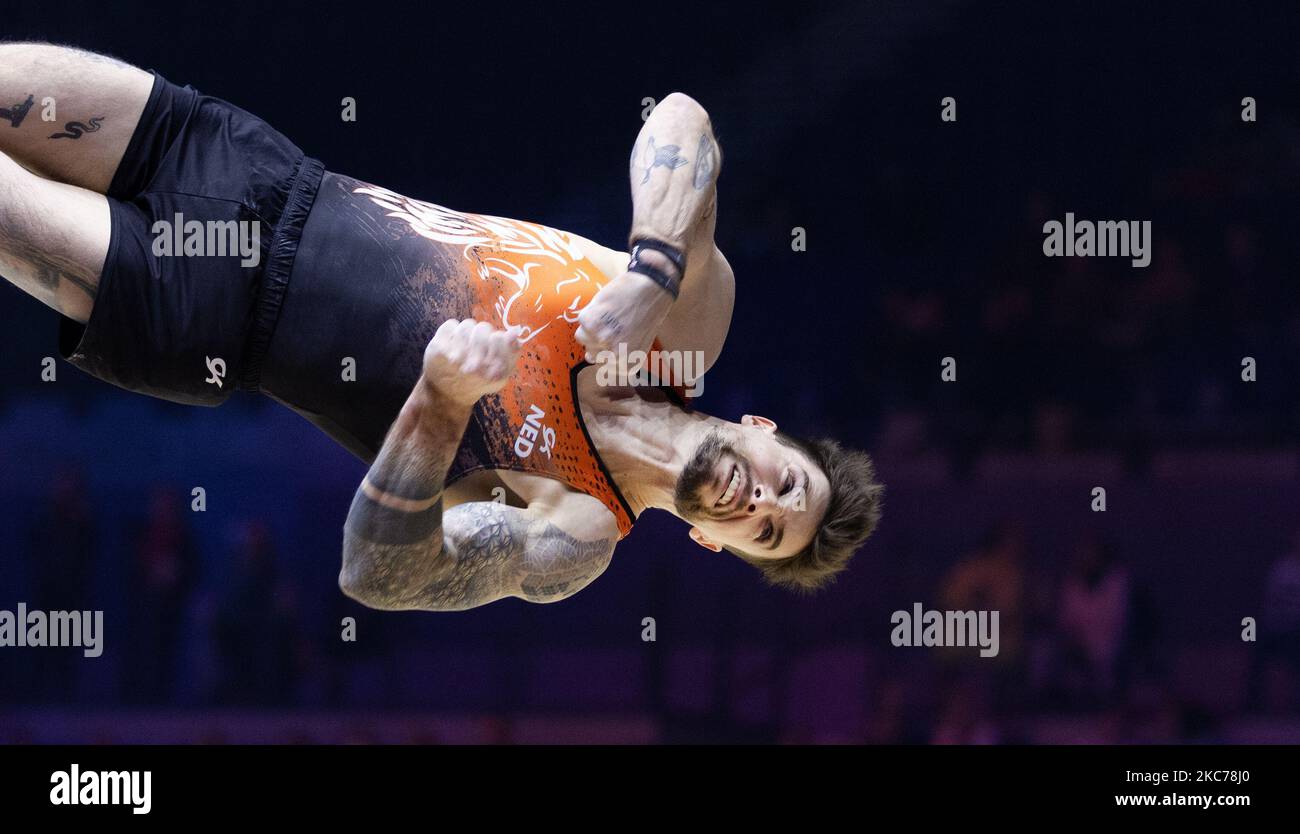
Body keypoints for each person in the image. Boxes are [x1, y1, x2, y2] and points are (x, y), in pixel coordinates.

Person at [0, 43, 882, 609]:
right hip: (256, 167)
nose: (758, 502)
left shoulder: (577, 529)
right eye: (786, 486)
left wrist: (441, 400)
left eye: (763, 531)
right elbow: (683, 117)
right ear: (763, 432)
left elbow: (377, 577)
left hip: (207, 316)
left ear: (712, 543)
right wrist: (653, 269)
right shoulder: (688, 329)